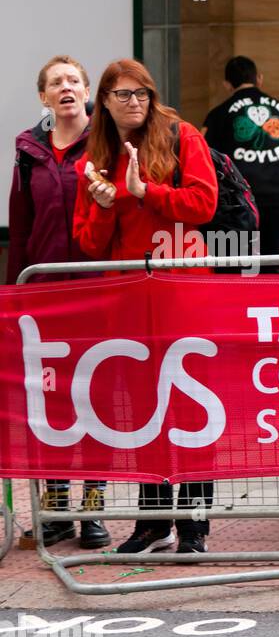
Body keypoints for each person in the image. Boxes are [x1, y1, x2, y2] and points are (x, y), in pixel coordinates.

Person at [74, 59, 219, 554]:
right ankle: (153, 521)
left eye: (141, 93)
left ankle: (195, 527)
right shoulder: (95, 158)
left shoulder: (183, 138)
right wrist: (104, 204)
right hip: (130, 298)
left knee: (192, 408)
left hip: (184, 292)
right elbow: (89, 243)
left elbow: (204, 204)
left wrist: (146, 192)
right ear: (106, 103)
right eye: (122, 95)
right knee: (142, 411)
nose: (133, 102)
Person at [9, 55, 108, 550]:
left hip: (100, 292)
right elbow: (21, 229)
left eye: (74, 80)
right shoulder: (28, 152)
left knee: (99, 399)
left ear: (87, 90)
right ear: (44, 98)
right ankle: (57, 508)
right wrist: (15, 300)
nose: (66, 87)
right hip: (47, 294)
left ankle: (94, 509)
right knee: (52, 400)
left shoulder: (107, 144)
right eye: (56, 83)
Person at [201, 56, 279, 260]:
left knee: (239, 263)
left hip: (239, 202)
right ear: (259, 78)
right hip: (278, 194)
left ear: (227, 84)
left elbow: (204, 159)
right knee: (271, 259)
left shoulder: (218, 114)